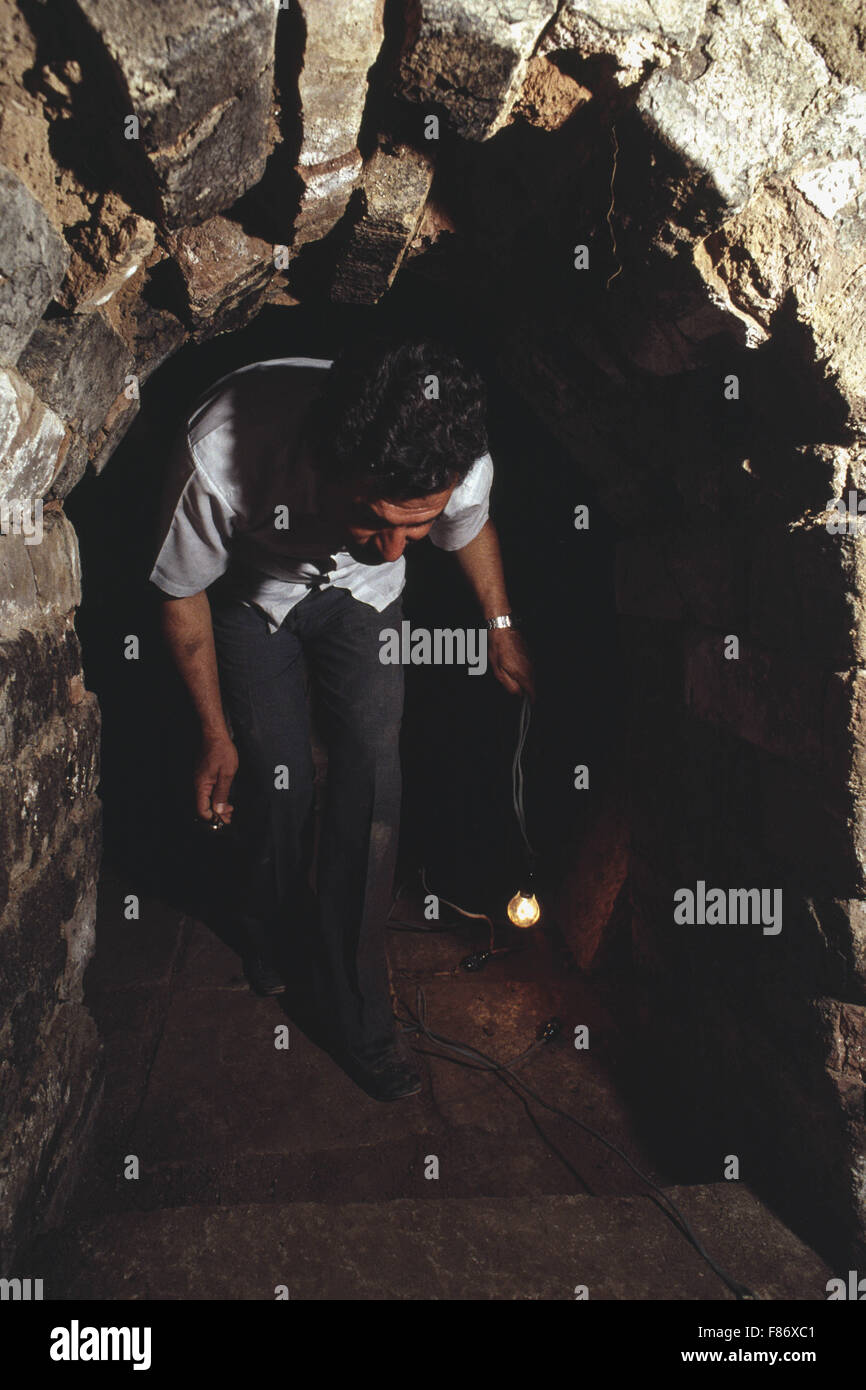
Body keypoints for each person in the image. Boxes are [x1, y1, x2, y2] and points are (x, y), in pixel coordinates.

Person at [148, 337, 535, 1101]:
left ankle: (358, 1014)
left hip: (363, 608)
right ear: (324, 463)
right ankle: (265, 928)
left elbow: (468, 532)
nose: (395, 547)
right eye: (371, 518)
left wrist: (499, 627)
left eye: (412, 528)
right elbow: (179, 591)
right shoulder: (222, 452)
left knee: (373, 782)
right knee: (279, 782)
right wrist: (213, 734)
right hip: (250, 599)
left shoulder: (455, 457)